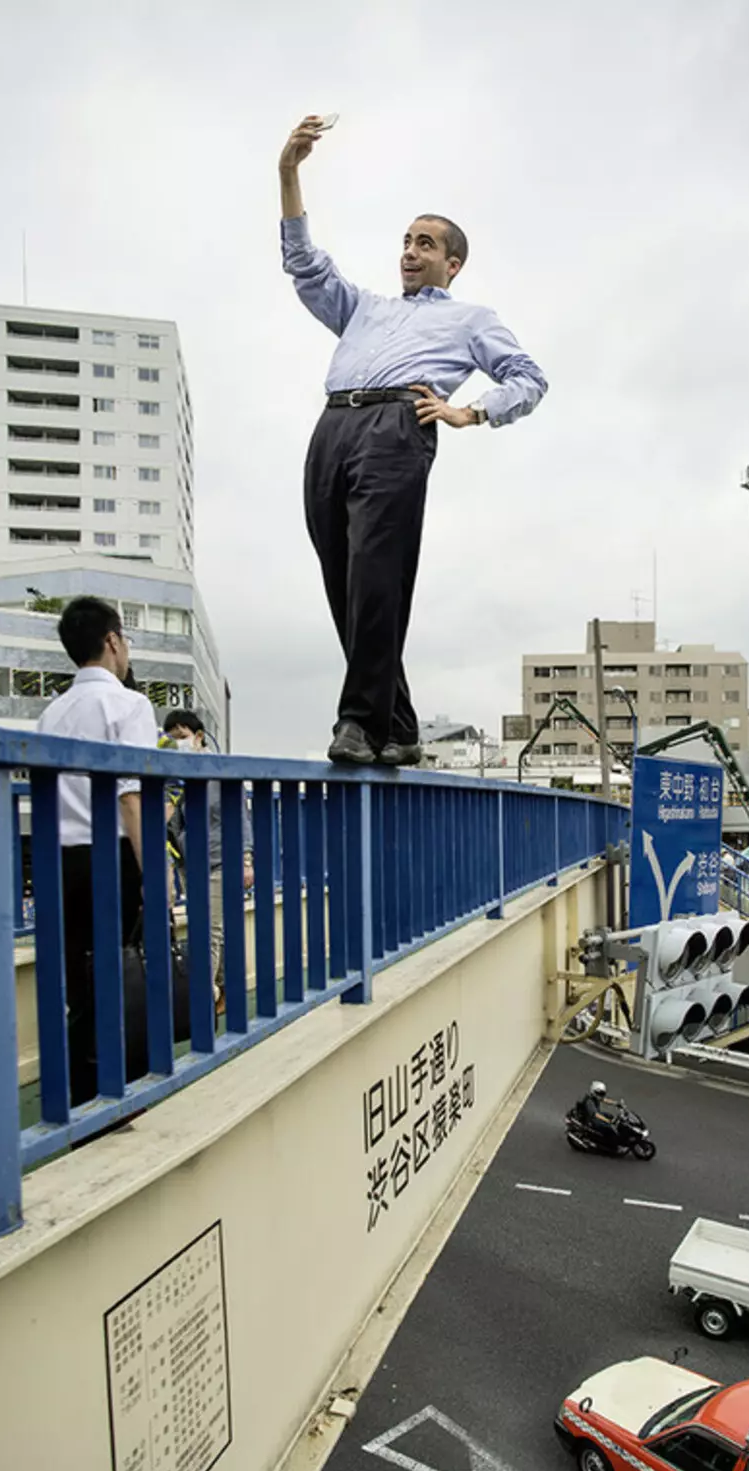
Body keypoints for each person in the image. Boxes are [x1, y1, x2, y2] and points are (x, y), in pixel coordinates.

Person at [278, 114, 549, 767]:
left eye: (424, 243)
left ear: (451, 263)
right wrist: (288, 171)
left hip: (399, 427)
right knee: (345, 581)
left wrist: (471, 413)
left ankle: (359, 723)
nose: (409, 250)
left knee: (376, 573)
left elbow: (529, 378)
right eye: (405, 239)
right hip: (334, 426)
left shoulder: (468, 320)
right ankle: (399, 727)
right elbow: (306, 266)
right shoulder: (365, 307)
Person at [37, 596, 158, 1105]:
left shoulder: (52, 712)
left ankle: (80, 1099)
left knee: (77, 986)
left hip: (59, 860)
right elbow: (133, 797)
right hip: (110, 856)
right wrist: (155, 872)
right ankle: (122, 1094)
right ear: (112, 642)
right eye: (124, 639)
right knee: (120, 972)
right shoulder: (129, 705)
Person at [162, 709, 252, 1016]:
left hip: (220, 858)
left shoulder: (222, 771)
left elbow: (240, 816)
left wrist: (246, 859)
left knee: (207, 930)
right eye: (172, 739)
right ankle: (225, 990)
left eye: (183, 737)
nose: (179, 745)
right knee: (215, 930)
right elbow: (172, 825)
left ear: (199, 736)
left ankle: (201, 1002)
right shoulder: (174, 777)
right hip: (191, 862)